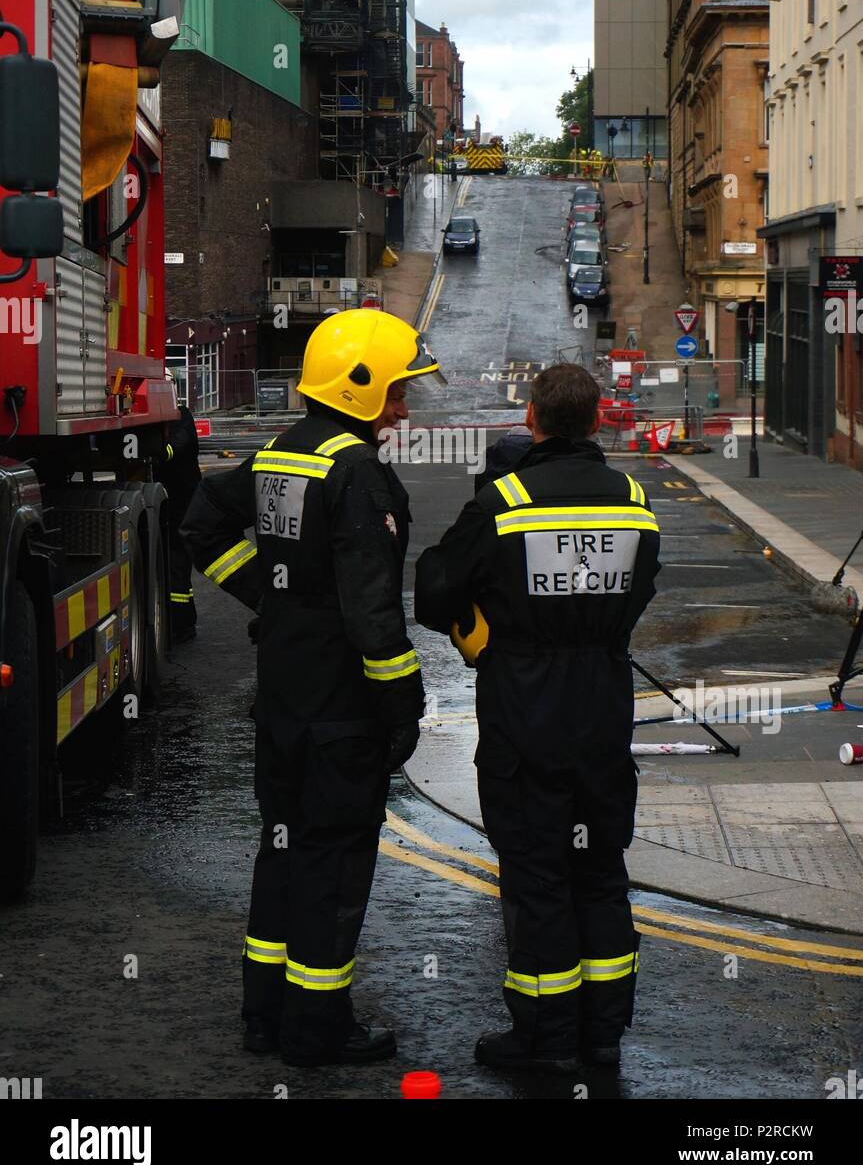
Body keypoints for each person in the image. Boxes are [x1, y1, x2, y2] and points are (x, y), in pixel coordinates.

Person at [180, 310, 443, 1067]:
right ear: (359, 389)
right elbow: (370, 611)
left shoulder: (280, 452)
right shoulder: (357, 473)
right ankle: (318, 1030)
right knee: (333, 863)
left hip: (283, 699)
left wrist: (271, 598)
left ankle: (263, 1016)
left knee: (282, 848)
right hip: (339, 710)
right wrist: (404, 701)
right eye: (396, 392)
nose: (402, 408)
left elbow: (201, 525)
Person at [414, 363, 660, 1074]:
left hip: (525, 714)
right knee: (600, 873)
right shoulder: (633, 501)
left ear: (532, 420)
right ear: (595, 419)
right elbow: (640, 587)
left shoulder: (503, 501)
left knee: (536, 876)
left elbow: (433, 592)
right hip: (604, 713)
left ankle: (545, 1039)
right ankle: (603, 1034)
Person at [154, 378, 202, 645]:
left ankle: (183, 626)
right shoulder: (166, 421)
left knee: (177, 568)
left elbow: (173, 449)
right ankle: (179, 622)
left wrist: (152, 448)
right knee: (171, 567)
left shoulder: (183, 418)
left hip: (184, 505)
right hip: (168, 503)